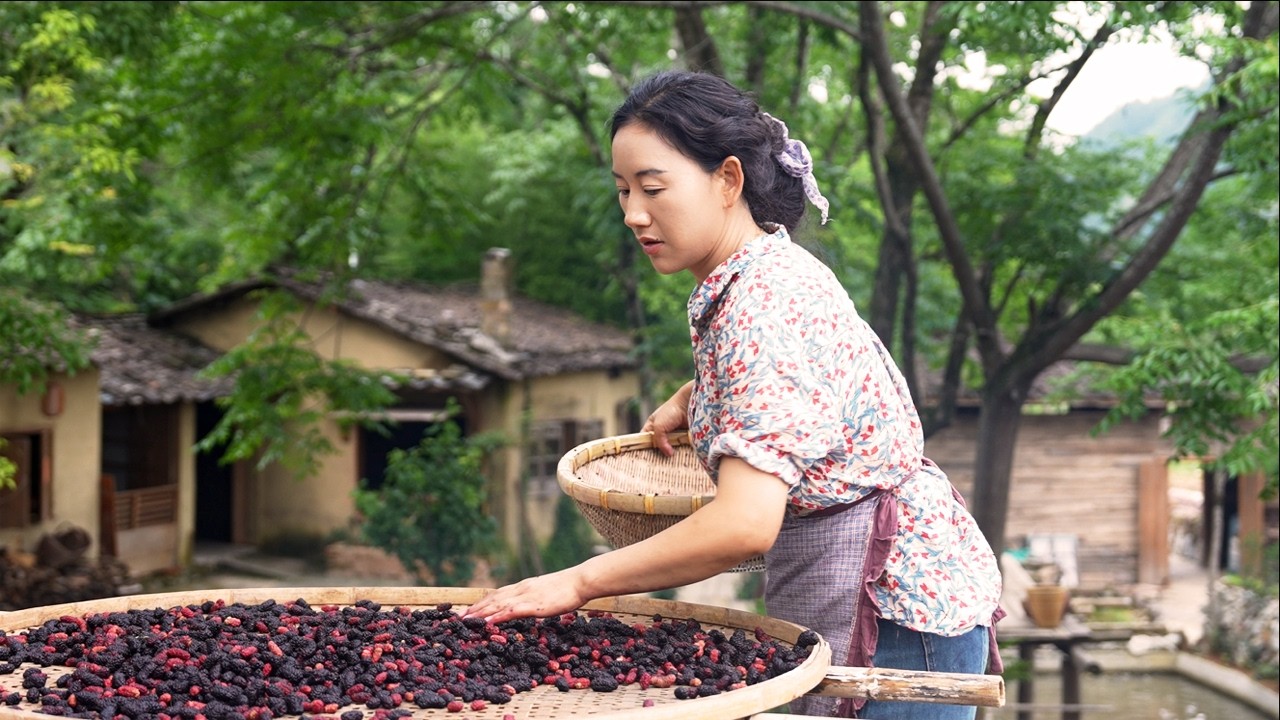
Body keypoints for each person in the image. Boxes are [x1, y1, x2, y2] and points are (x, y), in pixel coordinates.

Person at [463, 69, 1004, 719]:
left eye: (654, 188)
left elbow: (744, 522)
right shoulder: (764, 271)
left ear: (727, 179)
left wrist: (577, 582)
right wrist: (699, 394)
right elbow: (809, 384)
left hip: (897, 612)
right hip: (896, 590)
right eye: (623, 191)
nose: (635, 213)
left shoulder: (759, 306)